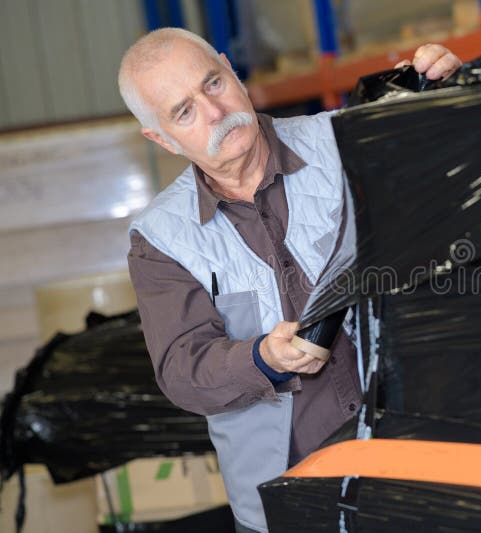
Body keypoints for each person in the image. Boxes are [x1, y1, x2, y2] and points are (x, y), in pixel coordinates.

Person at [119, 27, 461, 533]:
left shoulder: (345, 141)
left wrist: (451, 89)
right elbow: (182, 370)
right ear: (161, 139)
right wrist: (261, 358)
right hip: (292, 506)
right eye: (184, 111)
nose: (215, 112)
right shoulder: (161, 240)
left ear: (230, 68)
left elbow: (455, 171)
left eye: (212, 83)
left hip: (424, 469)